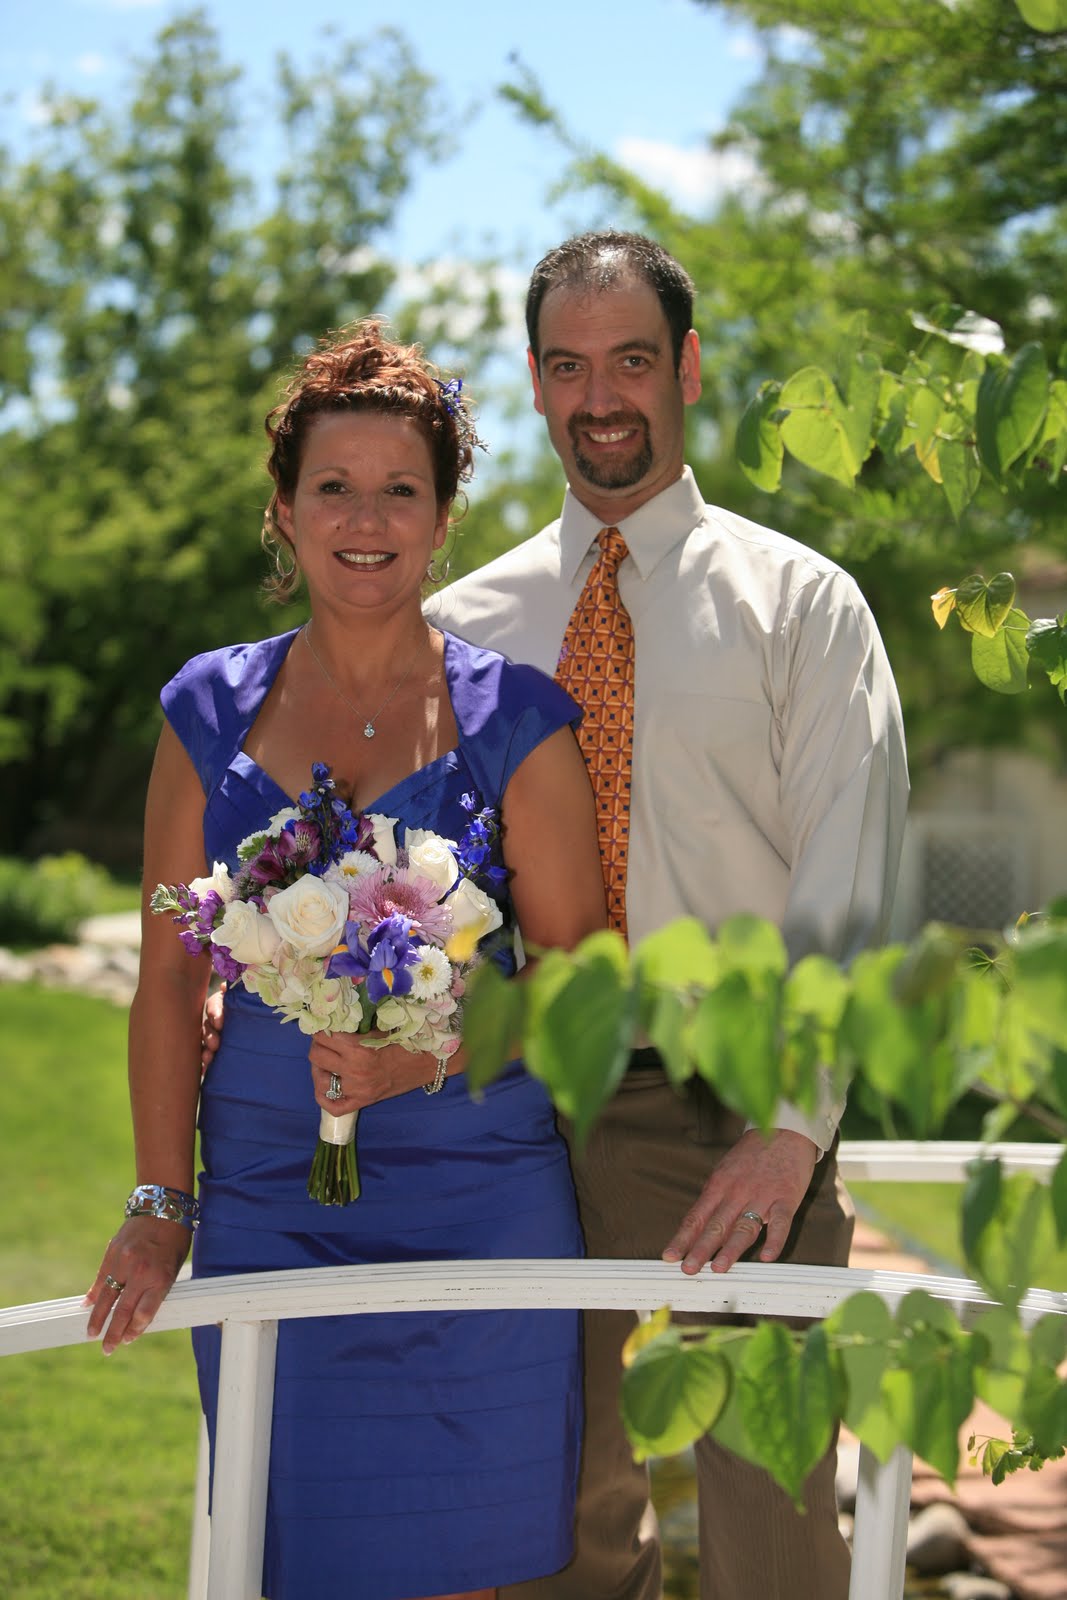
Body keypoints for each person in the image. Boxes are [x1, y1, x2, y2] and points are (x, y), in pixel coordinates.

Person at [85, 322, 607, 1600]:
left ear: (441, 518)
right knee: (296, 1556)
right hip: (269, 1194)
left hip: (482, 1199)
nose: (365, 520)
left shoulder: (514, 719)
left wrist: (429, 1052)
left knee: (469, 1568)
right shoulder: (206, 711)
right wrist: (161, 1203)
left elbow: (587, 979)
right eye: (333, 486)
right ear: (283, 510)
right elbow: (168, 978)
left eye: (398, 490)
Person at [426, 232, 910, 1600]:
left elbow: (849, 875)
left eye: (630, 360)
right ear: (533, 381)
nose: (600, 399)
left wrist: (788, 1128)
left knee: (771, 1525)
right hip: (526, 1112)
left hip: (737, 1106)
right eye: (568, 366)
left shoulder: (799, 606)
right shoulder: (462, 627)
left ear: (686, 368)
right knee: (551, 1514)